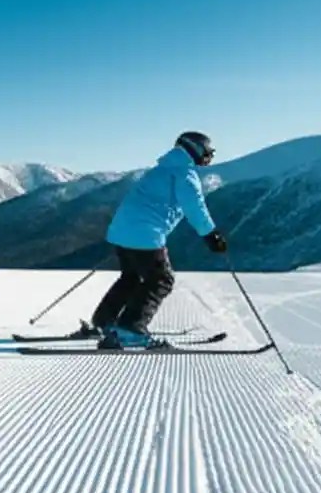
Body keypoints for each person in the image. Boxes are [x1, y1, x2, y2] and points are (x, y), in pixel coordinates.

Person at [89, 131, 228, 349]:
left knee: (131, 277)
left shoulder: (161, 169)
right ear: (196, 148)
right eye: (208, 151)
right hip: (145, 235)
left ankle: (103, 323)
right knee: (161, 280)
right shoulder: (184, 173)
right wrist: (211, 235)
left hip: (123, 231)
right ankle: (130, 329)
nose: (208, 157)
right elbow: (195, 207)